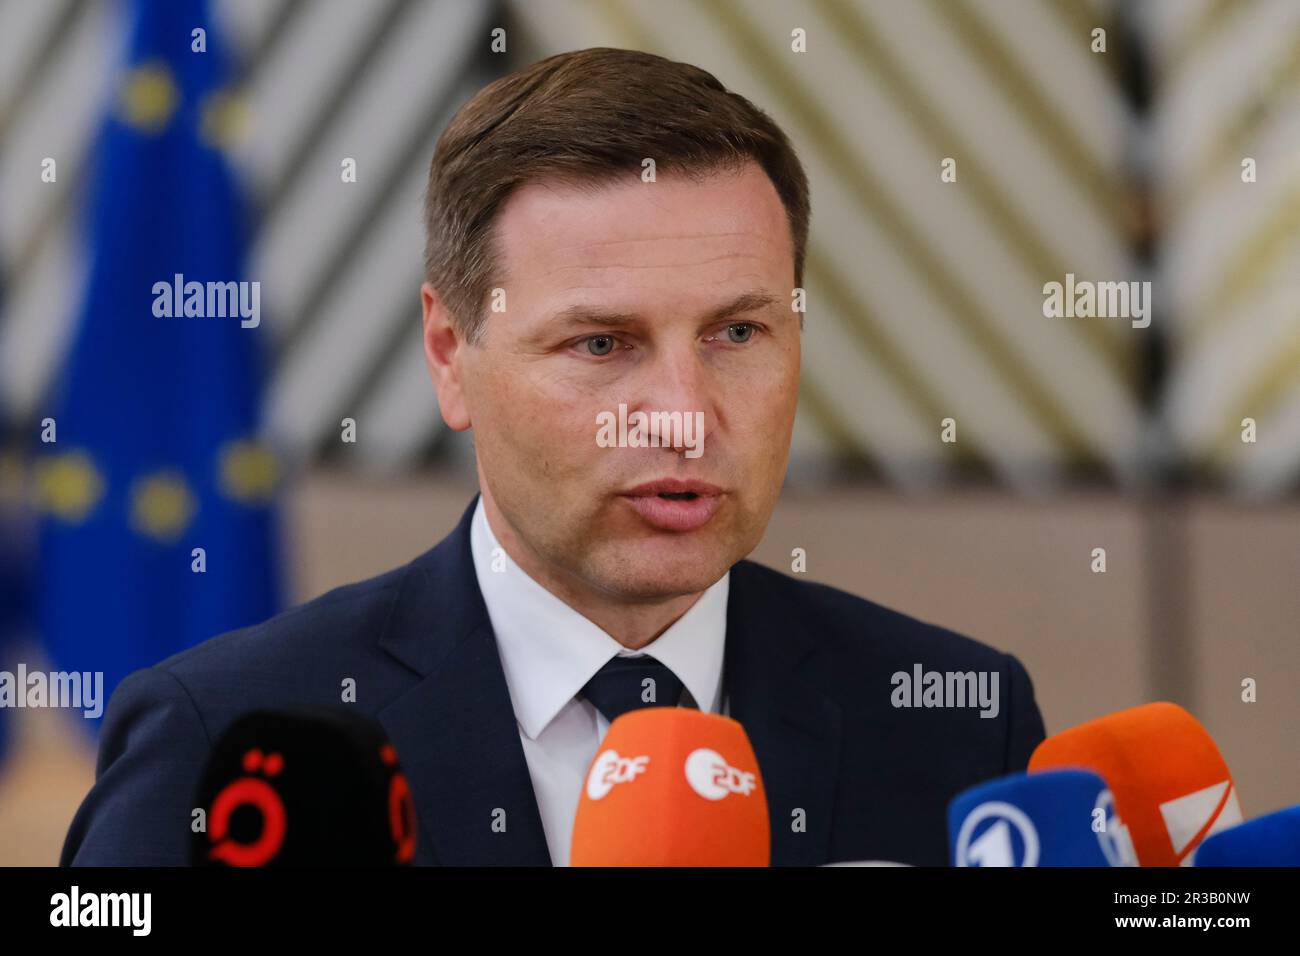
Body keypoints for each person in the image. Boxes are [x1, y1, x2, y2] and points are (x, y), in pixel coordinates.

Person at [62, 47, 1044, 867]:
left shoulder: (960, 723)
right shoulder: (231, 744)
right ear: (451, 356)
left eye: (736, 334)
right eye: (601, 344)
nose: (680, 418)